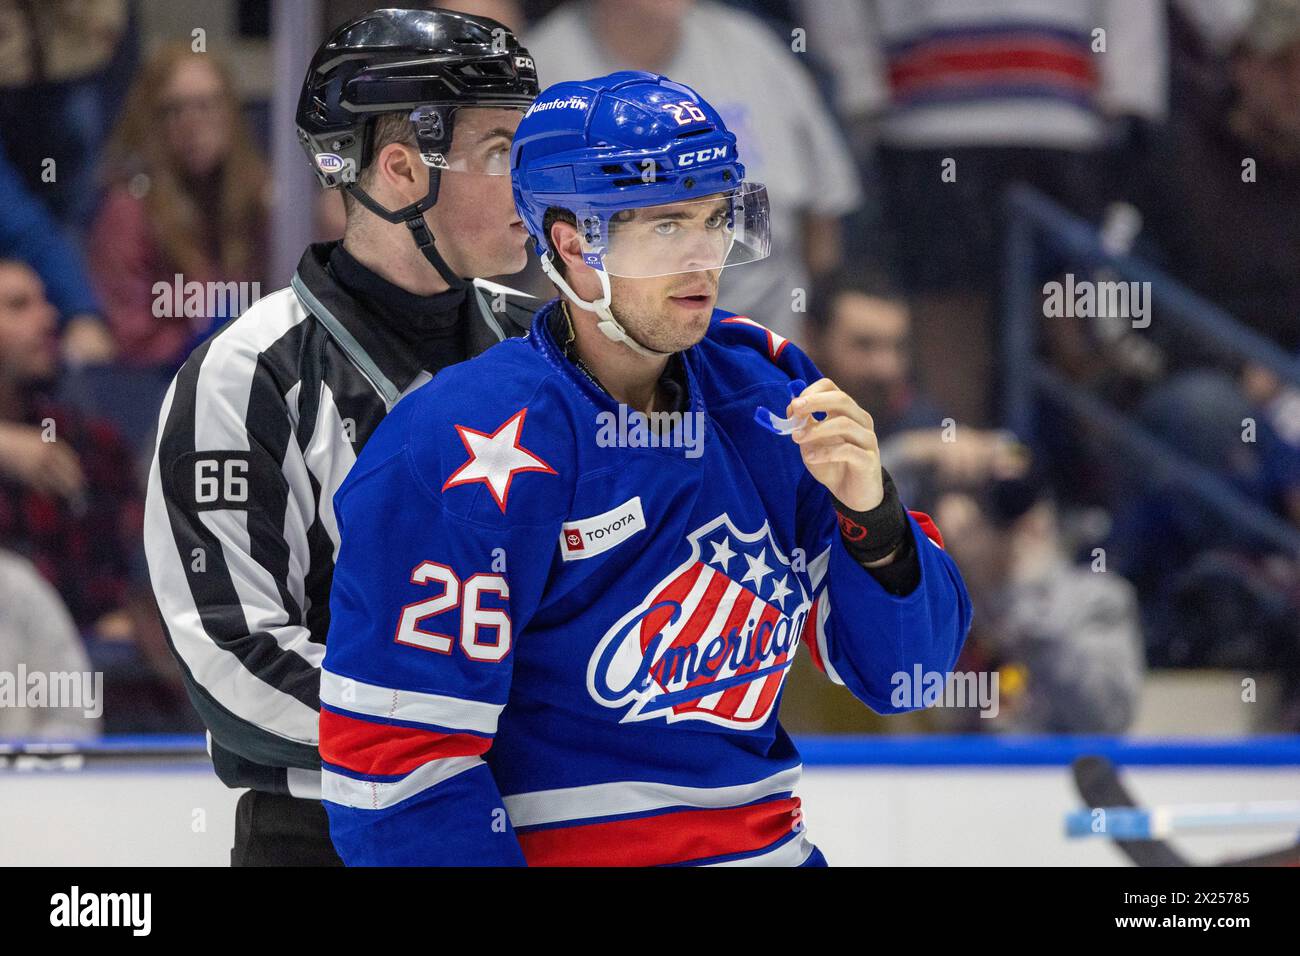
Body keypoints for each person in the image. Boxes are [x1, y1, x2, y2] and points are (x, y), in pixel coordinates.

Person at [318, 72, 971, 866]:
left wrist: (874, 518)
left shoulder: (766, 390)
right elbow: (399, 775)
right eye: (664, 229)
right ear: (571, 243)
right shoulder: (460, 446)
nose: (703, 262)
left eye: (713, 221)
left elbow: (906, 678)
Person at [143, 8, 540, 866]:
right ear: (401, 170)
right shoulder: (246, 373)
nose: (537, 181)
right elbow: (233, 655)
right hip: (324, 837)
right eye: (504, 152)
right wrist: (446, 735)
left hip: (535, 823)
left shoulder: (551, 348)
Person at [524, 0, 862, 343]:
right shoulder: (542, 69)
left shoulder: (749, 47)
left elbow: (823, 214)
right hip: (613, 348)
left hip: (764, 342)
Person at [87, 43, 271, 369]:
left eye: (207, 105)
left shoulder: (260, 199)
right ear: (151, 121)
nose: (192, 123)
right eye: (175, 109)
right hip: (168, 387)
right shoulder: (129, 210)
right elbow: (131, 339)